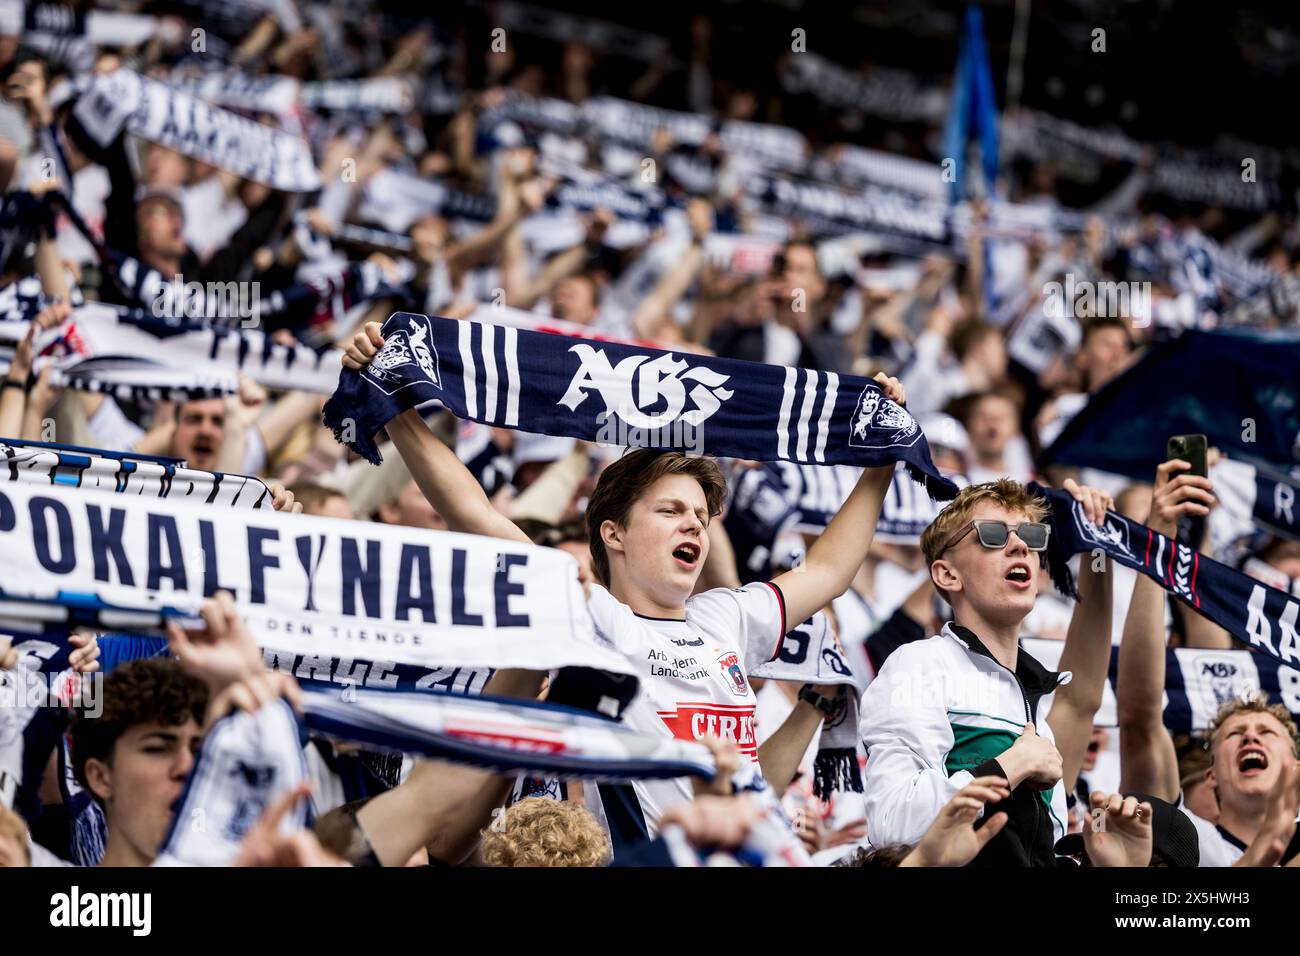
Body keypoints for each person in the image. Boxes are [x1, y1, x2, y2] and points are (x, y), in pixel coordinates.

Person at [342, 319, 903, 846]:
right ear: (614, 533)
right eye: (670, 511)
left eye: (701, 517)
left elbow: (827, 572)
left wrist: (882, 460)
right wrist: (393, 406)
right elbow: (477, 515)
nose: (694, 524)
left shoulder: (726, 618)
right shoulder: (587, 611)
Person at [859, 476, 1113, 865]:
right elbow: (892, 823)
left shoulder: (1037, 706)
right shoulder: (919, 664)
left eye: (1030, 534)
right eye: (992, 535)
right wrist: (1011, 766)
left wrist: (1100, 545)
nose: (1019, 545)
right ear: (947, 574)